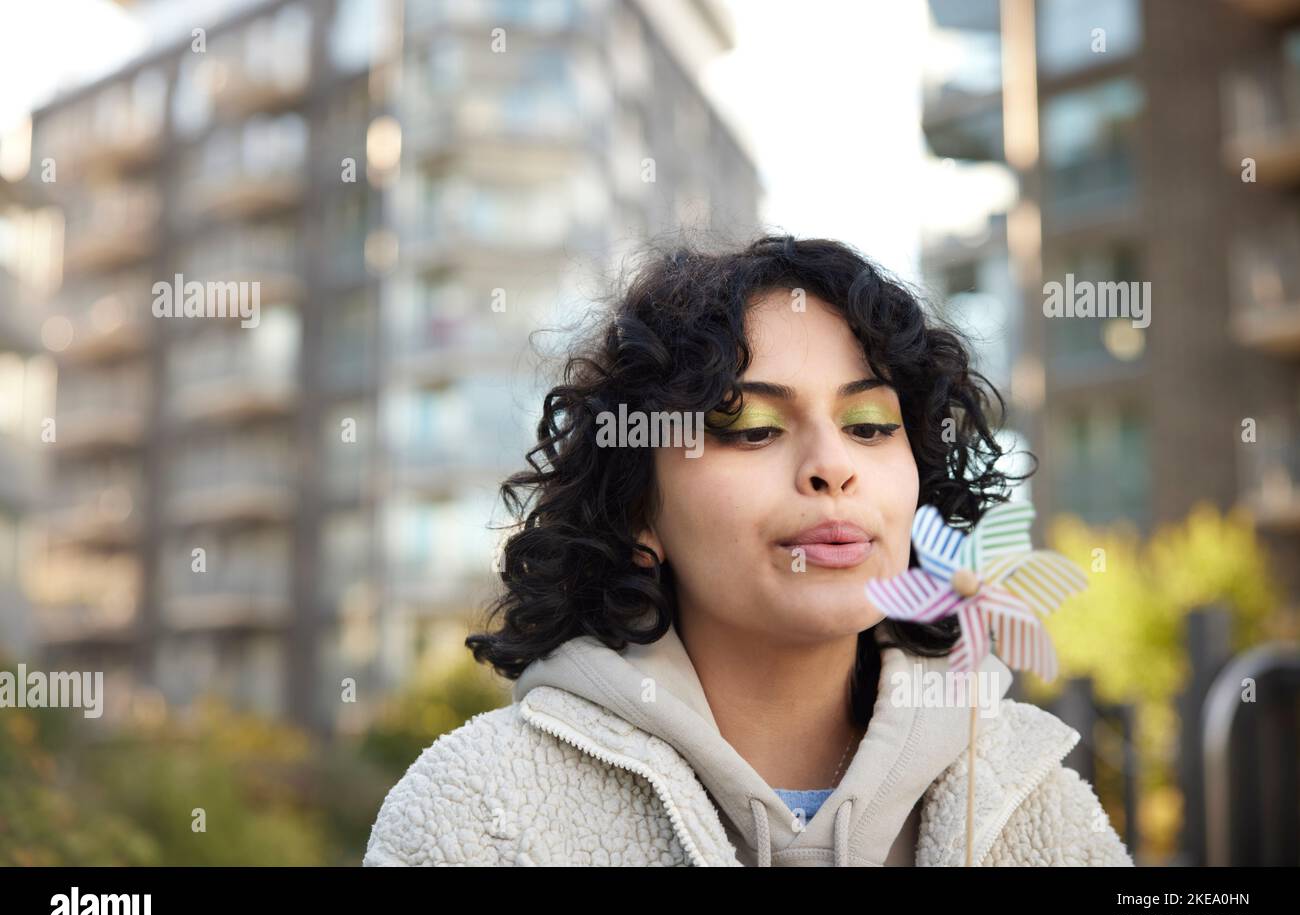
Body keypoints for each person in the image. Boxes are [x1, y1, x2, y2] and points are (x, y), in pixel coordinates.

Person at [363, 233, 1135, 867]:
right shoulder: (475, 818)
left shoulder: (1035, 807)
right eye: (753, 428)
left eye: (868, 424)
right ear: (639, 510)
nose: (833, 465)